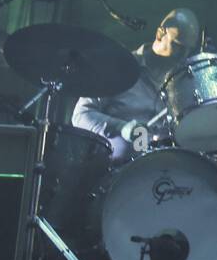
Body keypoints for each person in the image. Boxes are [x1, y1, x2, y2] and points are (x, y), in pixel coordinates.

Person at [71, 8, 203, 163]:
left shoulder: (182, 82)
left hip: (161, 170)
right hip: (112, 170)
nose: (184, 55)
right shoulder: (117, 67)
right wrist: (121, 127)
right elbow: (81, 115)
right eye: (178, 45)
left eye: (189, 49)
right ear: (160, 34)